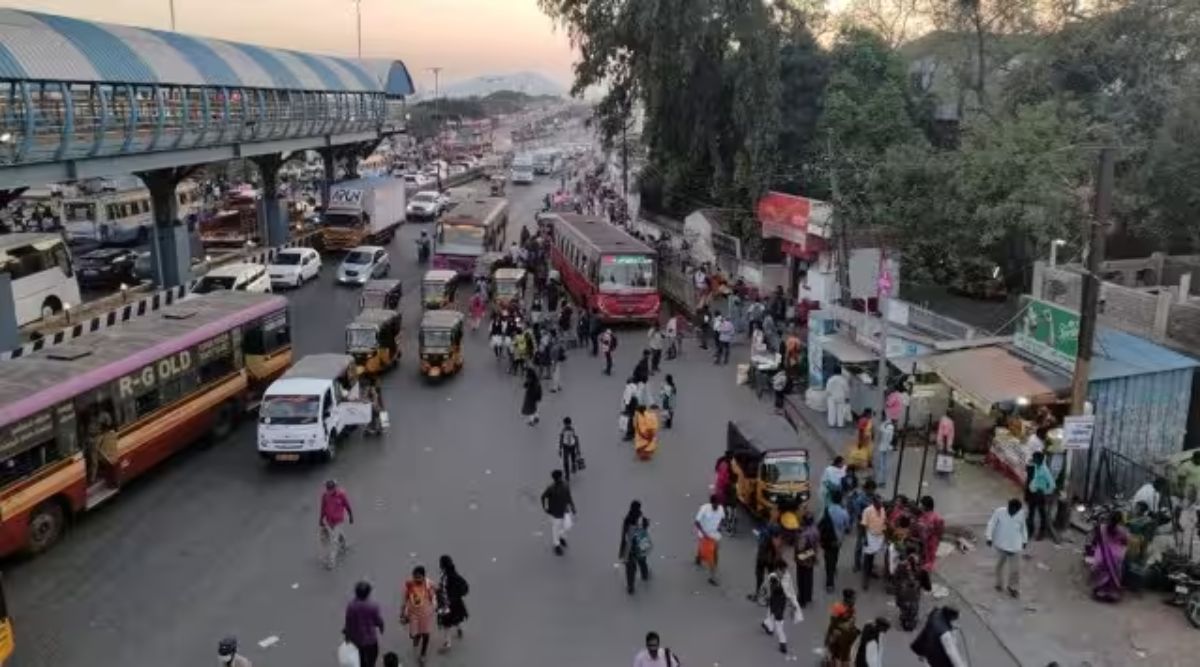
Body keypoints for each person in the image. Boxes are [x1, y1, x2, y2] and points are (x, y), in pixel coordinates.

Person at [986, 498, 1028, 598]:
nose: (1012, 512)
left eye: (1015, 510)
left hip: (1015, 546)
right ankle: (999, 584)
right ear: (1008, 506)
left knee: (1015, 569)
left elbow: (1023, 528)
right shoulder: (999, 512)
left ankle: (1013, 588)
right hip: (1001, 544)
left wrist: (1024, 540)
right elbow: (991, 524)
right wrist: (989, 537)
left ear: (1018, 510)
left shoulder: (1021, 514)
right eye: (1011, 509)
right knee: (999, 566)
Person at [760, 559, 802, 655]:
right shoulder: (773, 578)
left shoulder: (784, 577)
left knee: (775, 619)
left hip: (778, 603)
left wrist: (792, 604)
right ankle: (777, 635)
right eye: (782, 570)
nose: (784, 572)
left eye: (785, 570)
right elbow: (767, 589)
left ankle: (774, 632)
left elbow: (789, 591)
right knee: (775, 618)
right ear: (777, 569)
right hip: (774, 602)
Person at [1087, 510, 1129, 602]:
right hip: (1117, 554)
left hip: (1103, 552)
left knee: (1100, 562)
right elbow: (1125, 543)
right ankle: (1112, 592)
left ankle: (1099, 589)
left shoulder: (1101, 528)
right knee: (1117, 563)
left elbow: (1095, 541)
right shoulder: (1123, 530)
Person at [344, 581, 384, 667]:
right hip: (370, 638)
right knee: (372, 656)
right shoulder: (373, 605)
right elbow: (378, 620)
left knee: (360, 656)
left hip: (357, 638)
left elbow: (348, 622)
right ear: (368, 593)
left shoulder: (351, 606)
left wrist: (347, 636)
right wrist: (381, 626)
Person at [401, 566, 436, 665]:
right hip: (413, 615)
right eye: (415, 577)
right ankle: (416, 637)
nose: (417, 579)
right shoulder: (409, 584)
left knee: (426, 634)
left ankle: (423, 654)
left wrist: (436, 601)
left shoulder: (428, 583)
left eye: (419, 577)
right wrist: (402, 613)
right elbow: (404, 599)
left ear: (424, 577)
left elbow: (437, 590)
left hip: (426, 615)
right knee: (413, 634)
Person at [820, 489, 852, 592]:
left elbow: (820, 523)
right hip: (837, 540)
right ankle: (830, 579)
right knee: (834, 556)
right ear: (841, 499)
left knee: (828, 557)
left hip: (826, 539)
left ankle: (830, 578)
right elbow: (847, 527)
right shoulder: (844, 512)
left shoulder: (826, 509)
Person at [436, 555, 469, 652]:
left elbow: (443, 588)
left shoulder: (446, 576)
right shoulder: (454, 574)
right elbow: (464, 587)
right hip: (456, 603)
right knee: (457, 618)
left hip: (447, 603)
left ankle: (447, 644)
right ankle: (459, 630)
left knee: (446, 624)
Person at [320, 480, 354, 570]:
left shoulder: (341, 495)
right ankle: (344, 545)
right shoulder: (325, 496)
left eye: (331, 489)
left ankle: (331, 563)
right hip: (329, 520)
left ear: (334, 488)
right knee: (339, 534)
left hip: (339, 520)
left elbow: (347, 505)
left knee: (334, 541)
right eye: (328, 489)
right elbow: (323, 507)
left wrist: (351, 516)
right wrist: (321, 519)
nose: (329, 491)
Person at [619, 501, 652, 594]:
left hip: (630, 545)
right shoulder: (641, 517)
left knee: (630, 567)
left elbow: (624, 534)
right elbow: (645, 527)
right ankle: (644, 575)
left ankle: (630, 586)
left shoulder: (628, 519)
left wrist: (623, 547)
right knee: (642, 561)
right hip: (641, 543)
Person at [541, 469, 576, 555]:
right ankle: (556, 545)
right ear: (556, 478)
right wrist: (546, 508)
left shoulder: (565, 485)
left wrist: (572, 507)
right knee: (556, 528)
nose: (561, 478)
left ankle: (561, 537)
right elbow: (543, 497)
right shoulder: (551, 488)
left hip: (564, 510)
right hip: (555, 513)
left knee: (567, 526)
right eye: (560, 477)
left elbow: (569, 497)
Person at [1026, 451, 1058, 542]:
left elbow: (1052, 485)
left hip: (1040, 494)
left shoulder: (1044, 470)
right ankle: (1030, 531)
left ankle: (1041, 532)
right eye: (1033, 458)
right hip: (1033, 492)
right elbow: (1035, 478)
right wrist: (1031, 487)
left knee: (1041, 514)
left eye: (1035, 458)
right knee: (1031, 513)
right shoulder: (1036, 467)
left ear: (1040, 459)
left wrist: (1045, 492)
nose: (1033, 460)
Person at [694, 494, 726, 585]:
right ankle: (712, 576)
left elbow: (723, 519)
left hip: (715, 535)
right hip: (705, 535)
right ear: (711, 503)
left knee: (715, 553)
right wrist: (704, 533)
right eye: (715, 504)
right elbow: (697, 522)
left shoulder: (720, 508)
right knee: (709, 555)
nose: (717, 506)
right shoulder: (704, 509)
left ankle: (712, 574)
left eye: (718, 504)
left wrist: (720, 526)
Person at [823, 589, 859, 667]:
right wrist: (830, 638)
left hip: (847, 639)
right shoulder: (838, 607)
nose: (854, 600)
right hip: (837, 637)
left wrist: (854, 629)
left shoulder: (852, 609)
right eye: (853, 598)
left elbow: (851, 622)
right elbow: (833, 623)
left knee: (845, 658)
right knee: (835, 657)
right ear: (847, 598)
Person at [861, 494, 887, 590]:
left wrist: (885, 537)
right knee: (868, 557)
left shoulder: (883, 510)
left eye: (881, 503)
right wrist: (866, 539)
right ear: (874, 502)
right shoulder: (867, 511)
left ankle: (870, 571)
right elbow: (863, 526)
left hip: (879, 537)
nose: (881, 505)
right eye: (879, 503)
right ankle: (865, 579)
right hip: (870, 536)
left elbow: (884, 523)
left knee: (873, 556)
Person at [794, 511, 820, 608]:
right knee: (809, 577)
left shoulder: (804, 534)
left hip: (803, 558)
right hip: (812, 555)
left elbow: (800, 547)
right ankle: (808, 596)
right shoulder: (815, 530)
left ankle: (802, 600)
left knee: (801, 579)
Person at [916, 495, 945, 572]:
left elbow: (939, 531)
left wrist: (927, 528)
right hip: (922, 542)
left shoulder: (936, 518)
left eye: (921, 504)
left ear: (925, 505)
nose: (920, 505)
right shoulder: (921, 516)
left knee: (929, 562)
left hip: (931, 542)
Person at [874, 417, 895, 488]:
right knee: (884, 465)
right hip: (886, 447)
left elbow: (881, 434)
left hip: (883, 447)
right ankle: (882, 481)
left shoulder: (884, 425)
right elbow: (890, 438)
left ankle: (881, 481)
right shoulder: (890, 426)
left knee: (882, 465)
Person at [559, 417, 582, 481]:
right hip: (566, 446)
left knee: (573, 458)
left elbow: (576, 439)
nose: (567, 425)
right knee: (565, 461)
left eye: (567, 424)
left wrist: (578, 449)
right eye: (566, 424)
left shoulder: (573, 430)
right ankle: (567, 475)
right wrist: (560, 449)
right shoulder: (563, 430)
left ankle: (574, 467)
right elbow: (561, 439)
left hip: (572, 446)